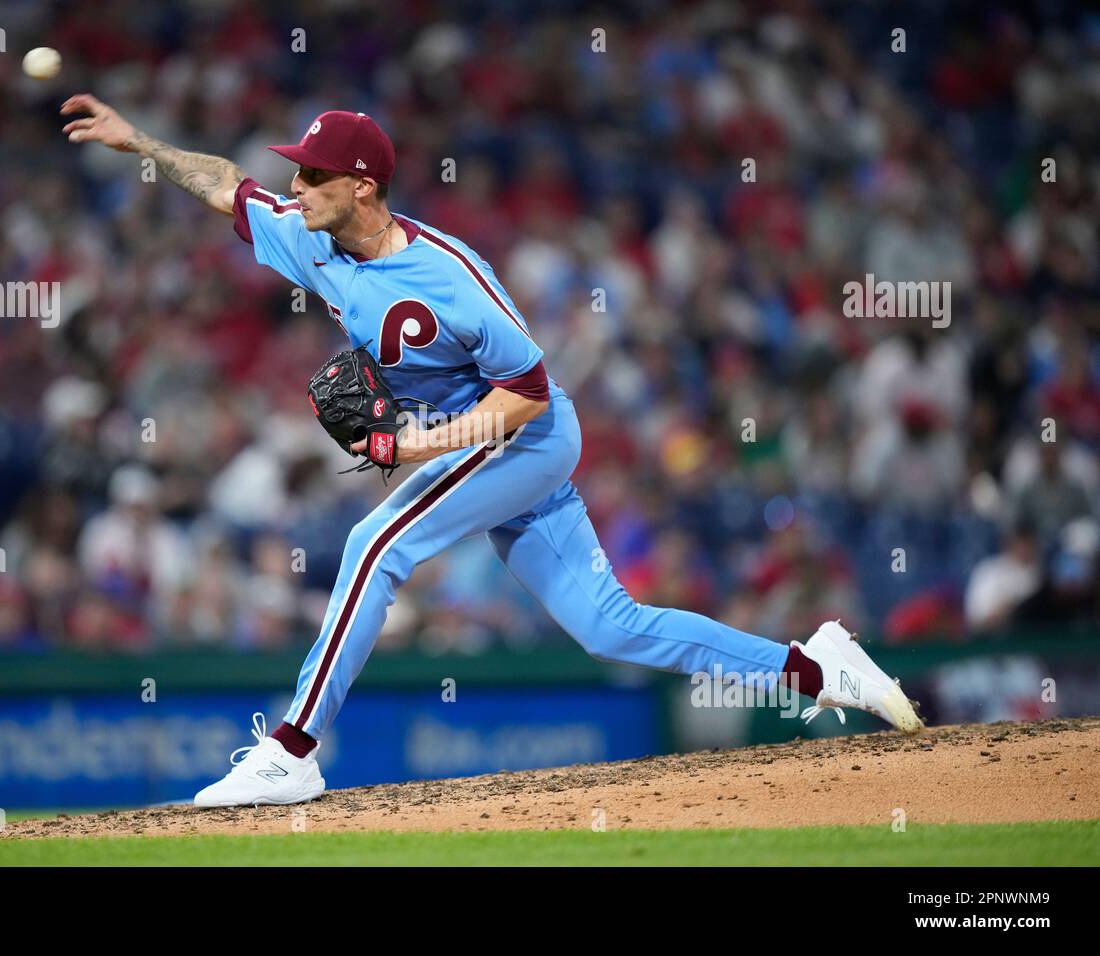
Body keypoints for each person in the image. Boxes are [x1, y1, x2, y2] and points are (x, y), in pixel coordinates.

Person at [61, 95, 924, 808]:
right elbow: (224, 185)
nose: (297, 182)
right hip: (499, 450)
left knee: (374, 545)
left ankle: (292, 750)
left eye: (313, 172)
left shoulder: (448, 277)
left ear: (362, 186)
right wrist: (136, 138)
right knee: (609, 627)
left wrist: (418, 442)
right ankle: (816, 667)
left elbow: (528, 394)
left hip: (530, 435)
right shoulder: (310, 236)